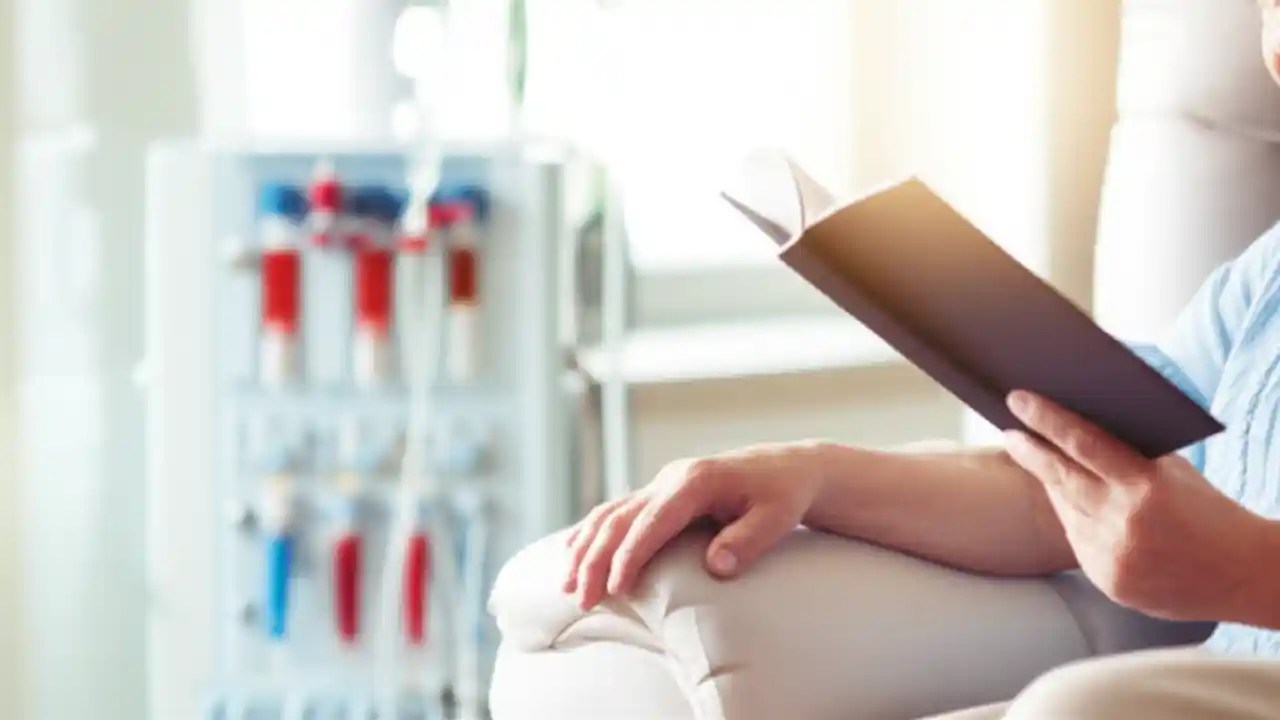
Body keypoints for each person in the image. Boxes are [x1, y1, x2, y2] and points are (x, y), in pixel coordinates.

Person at [562, 4, 1280, 718]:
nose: (1275, 46)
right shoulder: (1264, 281)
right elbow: (1061, 490)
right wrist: (813, 475)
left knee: (1078, 709)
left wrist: (1248, 571)